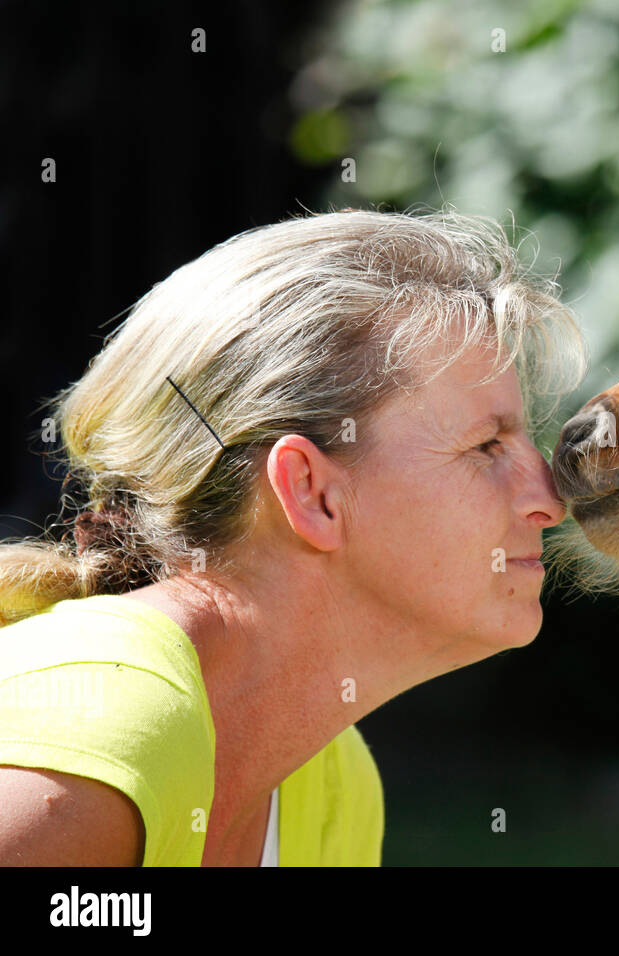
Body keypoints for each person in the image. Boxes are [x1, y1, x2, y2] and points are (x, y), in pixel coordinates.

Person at [0, 209, 585, 865]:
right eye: (487, 445)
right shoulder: (97, 732)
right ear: (309, 491)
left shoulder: (332, 784)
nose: (549, 499)